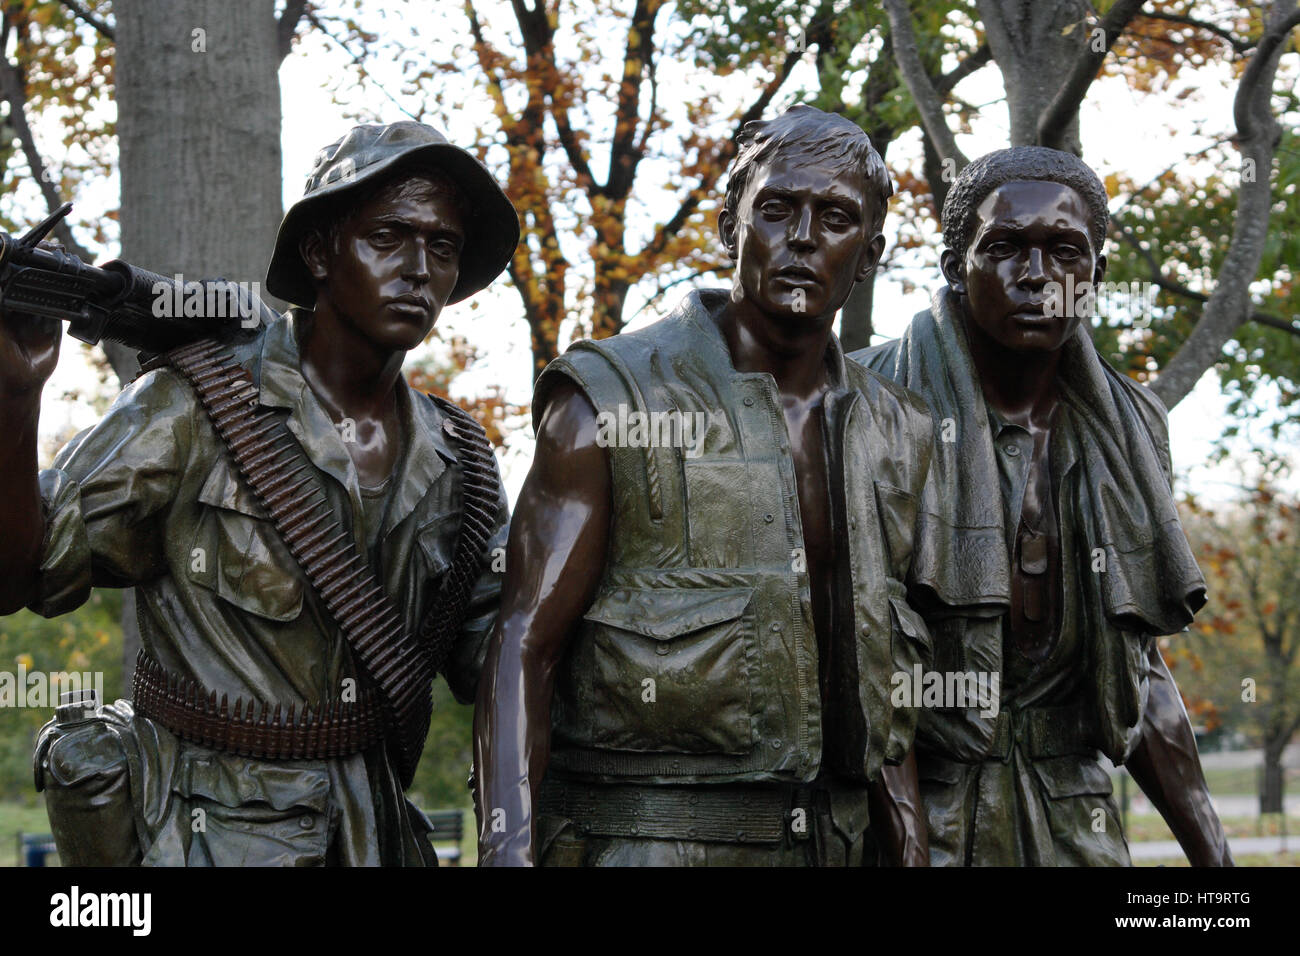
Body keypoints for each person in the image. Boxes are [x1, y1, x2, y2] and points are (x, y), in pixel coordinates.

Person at [0, 121, 518, 866]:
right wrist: (14, 400)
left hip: (379, 835)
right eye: (388, 237)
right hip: (210, 835)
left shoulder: (460, 456)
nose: (418, 269)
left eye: (442, 248)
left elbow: (497, 659)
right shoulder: (193, 405)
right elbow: (24, 575)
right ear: (318, 253)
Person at [474, 104, 934, 867]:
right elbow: (524, 641)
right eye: (777, 209)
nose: (805, 238)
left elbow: (885, 680)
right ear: (729, 228)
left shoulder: (899, 430)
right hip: (646, 841)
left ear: (869, 255)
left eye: (837, 218)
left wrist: (913, 848)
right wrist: (505, 848)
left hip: (831, 843)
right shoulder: (607, 398)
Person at [852, 145, 1232, 866]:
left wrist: (1214, 860)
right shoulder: (868, 401)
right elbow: (856, 656)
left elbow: (1136, 663)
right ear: (954, 267)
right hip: (915, 814)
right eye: (1003, 248)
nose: (1035, 277)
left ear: (1096, 277)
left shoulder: (1132, 427)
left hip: (1074, 821)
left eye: (1064, 252)